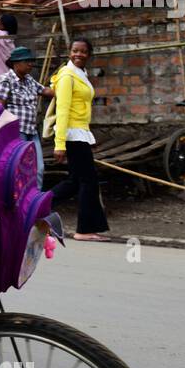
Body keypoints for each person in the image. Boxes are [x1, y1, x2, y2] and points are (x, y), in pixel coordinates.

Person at [50, 38, 108, 240]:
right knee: (88, 181)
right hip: (72, 134)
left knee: (75, 182)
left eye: (83, 51)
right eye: (75, 51)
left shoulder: (81, 74)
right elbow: (62, 110)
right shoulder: (67, 75)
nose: (78, 54)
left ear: (89, 54)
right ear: (69, 52)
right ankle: (84, 230)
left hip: (80, 132)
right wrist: (59, 144)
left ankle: (36, 206)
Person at [0, 45, 54, 185]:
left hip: (31, 130)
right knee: (20, 168)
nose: (30, 64)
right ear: (16, 63)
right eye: (26, 61)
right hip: (16, 131)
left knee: (38, 168)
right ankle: (20, 203)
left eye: (30, 61)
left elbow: (46, 91)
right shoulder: (6, 80)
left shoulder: (29, 80)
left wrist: (65, 88)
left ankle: (35, 203)